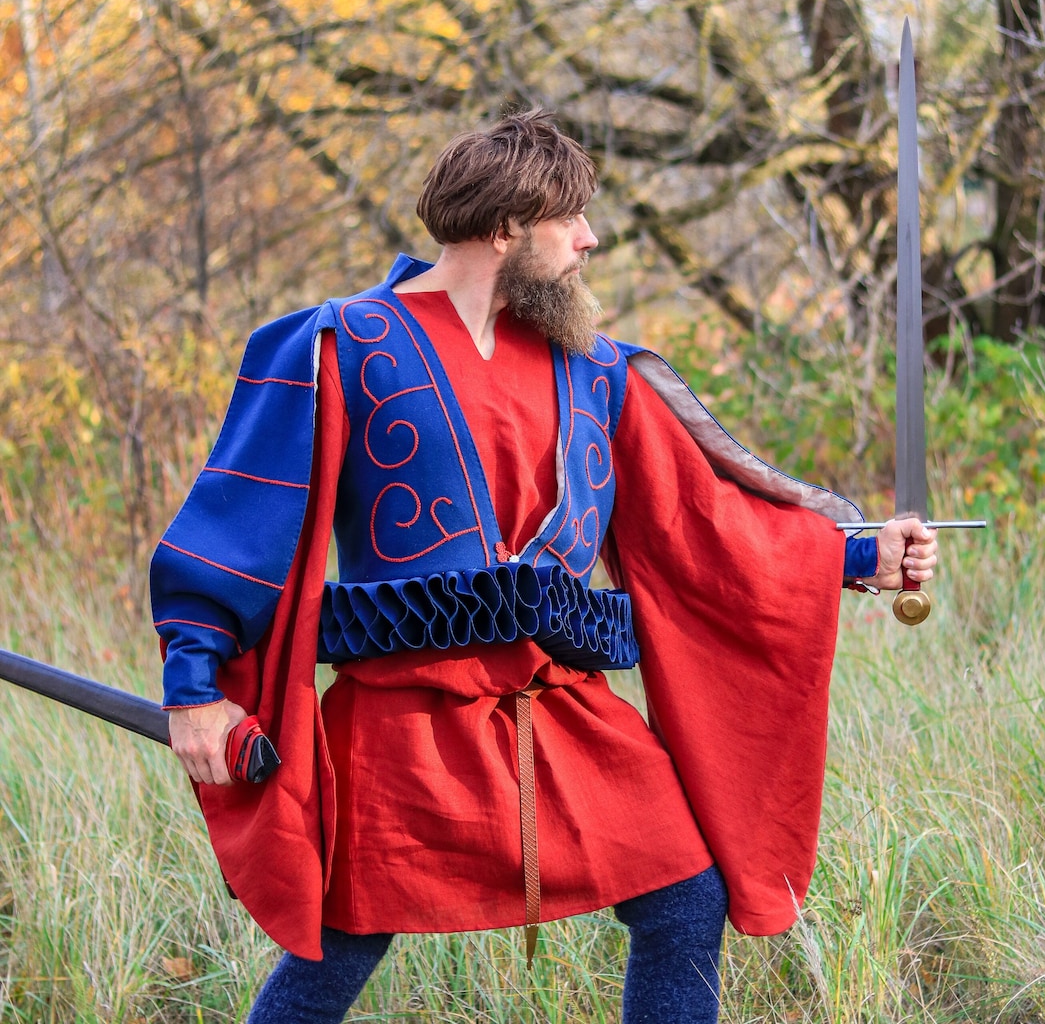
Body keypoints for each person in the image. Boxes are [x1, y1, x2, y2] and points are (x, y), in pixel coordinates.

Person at [149, 109, 938, 1023]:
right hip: (406, 720)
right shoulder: (337, 345)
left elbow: (700, 523)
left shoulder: (594, 371)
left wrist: (854, 555)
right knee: (337, 939)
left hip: (561, 710)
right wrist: (195, 685)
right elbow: (237, 524)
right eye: (571, 219)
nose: (589, 239)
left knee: (687, 897)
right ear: (504, 226)